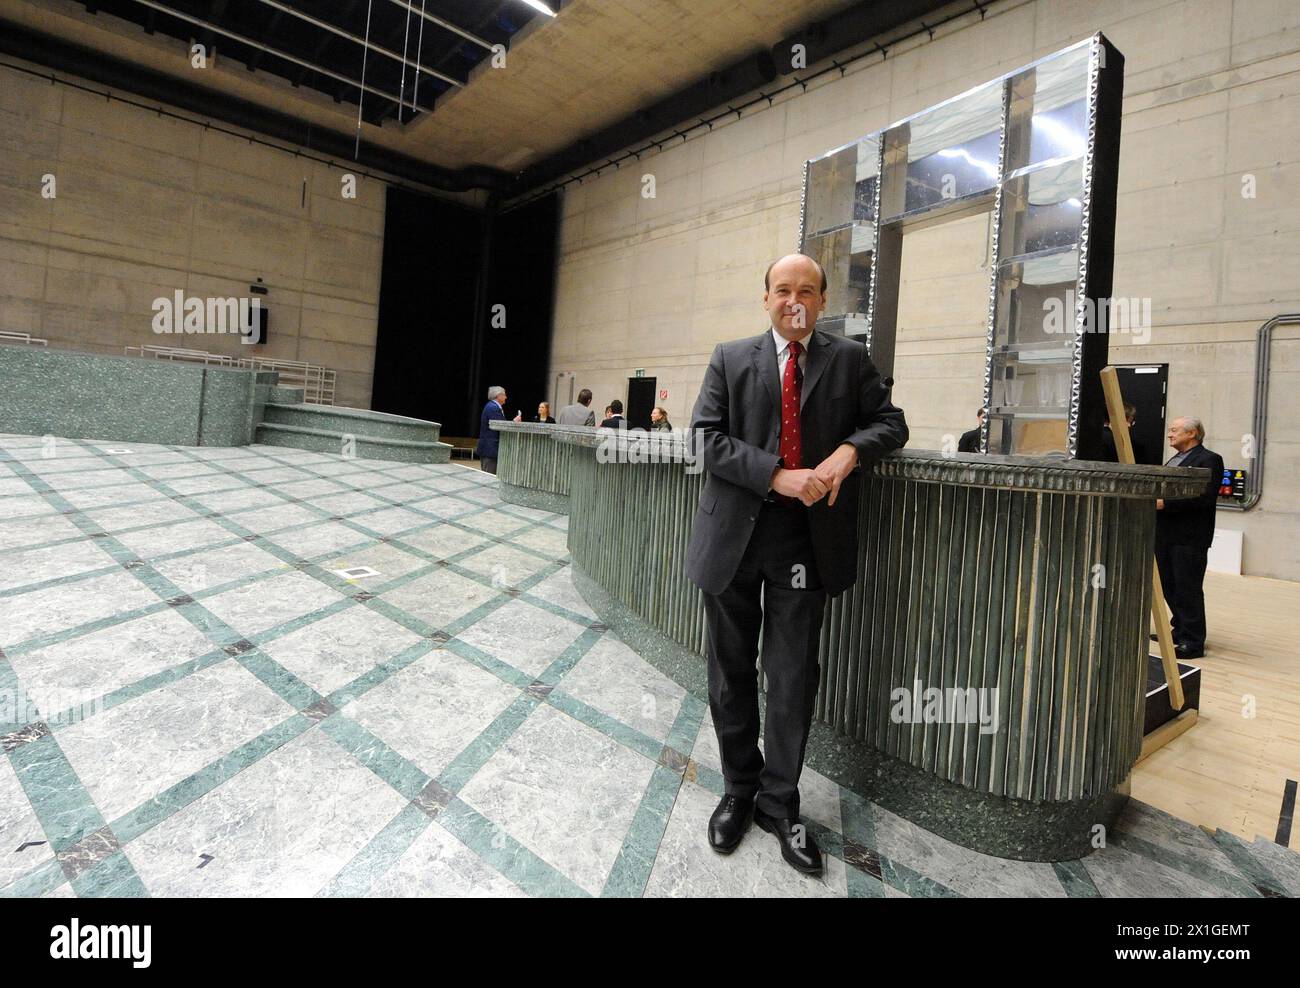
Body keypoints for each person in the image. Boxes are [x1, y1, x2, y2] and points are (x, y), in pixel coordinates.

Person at [686, 253, 908, 875]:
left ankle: (779, 806)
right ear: (766, 299)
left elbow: (891, 422)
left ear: (822, 299)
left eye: (806, 291)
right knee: (730, 673)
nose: (794, 301)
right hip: (734, 541)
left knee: (791, 679)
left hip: (806, 548)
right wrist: (778, 476)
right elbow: (703, 438)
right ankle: (738, 789)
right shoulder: (730, 357)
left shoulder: (849, 359)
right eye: (783, 290)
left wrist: (846, 454)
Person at [1155, 416, 1223, 661]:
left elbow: (1204, 498)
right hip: (1166, 534)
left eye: (1174, 430)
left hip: (1190, 536)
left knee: (1188, 587)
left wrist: (1165, 503)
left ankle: (1193, 641)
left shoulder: (1210, 460)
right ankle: (1181, 628)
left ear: (1192, 433)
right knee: (1168, 584)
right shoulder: (1175, 459)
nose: (1170, 435)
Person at [476, 385, 518, 474]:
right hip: (490, 450)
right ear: (498, 396)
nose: (506, 397)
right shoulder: (493, 408)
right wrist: (514, 422)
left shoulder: (492, 406)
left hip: (491, 449)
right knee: (489, 478)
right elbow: (501, 426)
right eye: (504, 395)